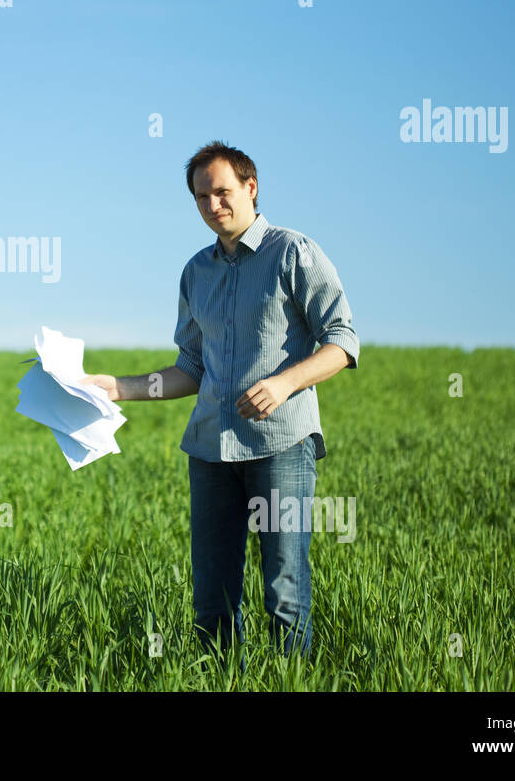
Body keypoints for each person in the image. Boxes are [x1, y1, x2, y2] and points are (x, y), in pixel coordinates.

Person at [82, 141, 359, 672]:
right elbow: (190, 367)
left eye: (223, 192)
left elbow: (343, 341)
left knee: (284, 588)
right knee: (211, 594)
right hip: (210, 451)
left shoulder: (294, 252)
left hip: (282, 445)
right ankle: (216, 681)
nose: (214, 205)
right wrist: (114, 386)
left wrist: (284, 383)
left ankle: (288, 683)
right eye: (202, 196)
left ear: (251, 188)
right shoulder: (195, 272)